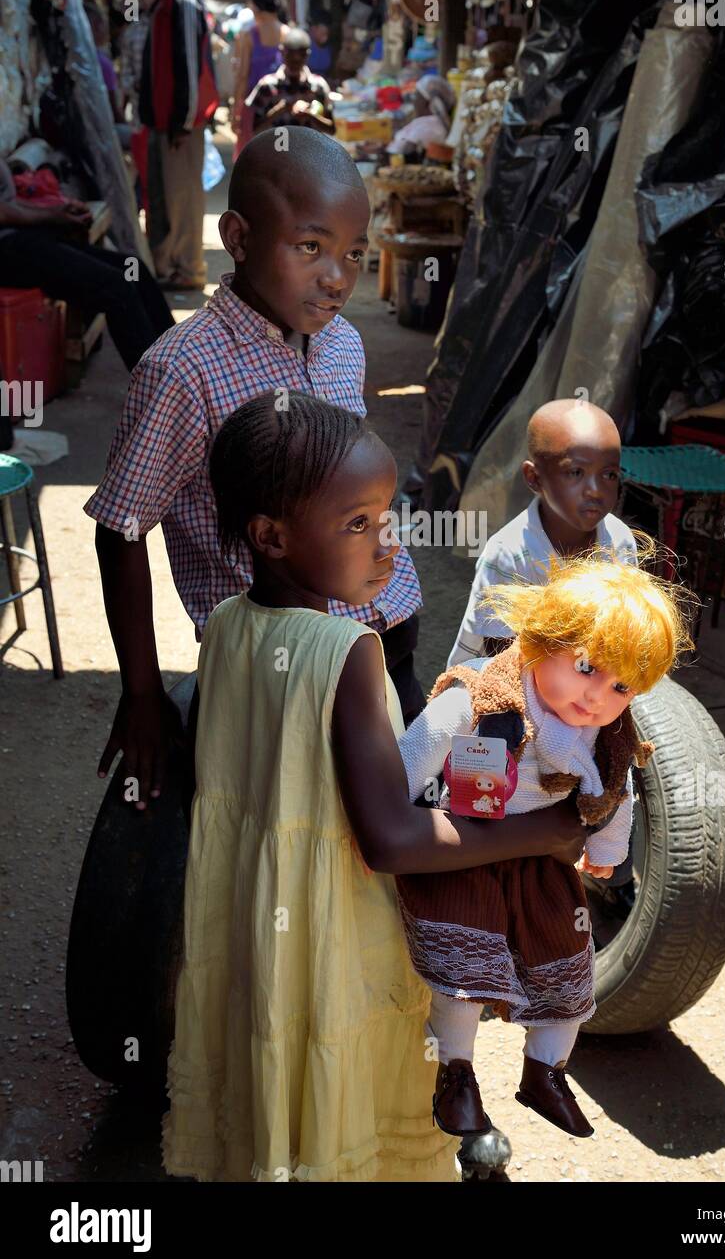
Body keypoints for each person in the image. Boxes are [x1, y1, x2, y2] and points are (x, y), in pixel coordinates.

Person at [160, 391, 590, 1182]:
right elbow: (390, 838)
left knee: (274, 1068)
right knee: (344, 1081)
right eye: (357, 523)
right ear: (271, 536)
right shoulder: (347, 651)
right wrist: (542, 834)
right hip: (334, 932)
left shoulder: (223, 625)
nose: (387, 543)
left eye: (387, 515)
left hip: (257, 920)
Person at [84, 126, 427, 815]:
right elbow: (121, 528)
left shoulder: (343, 345)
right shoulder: (183, 370)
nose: (337, 276)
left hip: (387, 630)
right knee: (309, 841)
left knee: (411, 807)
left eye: (353, 253)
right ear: (237, 238)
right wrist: (144, 693)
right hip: (279, 666)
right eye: (310, 247)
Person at [396, 548, 694, 1138]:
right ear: (539, 642)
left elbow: (619, 791)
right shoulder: (480, 701)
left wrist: (608, 852)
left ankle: (546, 1070)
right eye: (586, 667)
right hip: (468, 850)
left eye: (622, 687)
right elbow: (410, 759)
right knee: (466, 968)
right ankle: (456, 1072)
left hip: (539, 864)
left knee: (568, 965)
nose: (597, 697)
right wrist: (394, 813)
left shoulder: (607, 735)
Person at [449, 399, 637, 667]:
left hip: (588, 681)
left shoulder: (619, 541)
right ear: (534, 478)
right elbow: (501, 659)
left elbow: (624, 625)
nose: (595, 489)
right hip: (507, 680)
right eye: (576, 472)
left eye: (609, 475)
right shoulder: (509, 554)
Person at [0, 156, 174, 372]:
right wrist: (52, 216)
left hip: (23, 237)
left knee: (134, 269)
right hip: (8, 251)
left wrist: (57, 212)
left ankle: (180, 361)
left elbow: (8, 203)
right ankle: (158, 386)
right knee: (117, 288)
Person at [138, 0, 218, 293]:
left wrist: (182, 122)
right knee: (166, 196)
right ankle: (169, 266)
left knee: (182, 196)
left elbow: (188, 63)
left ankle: (187, 266)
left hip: (179, 123)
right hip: (166, 120)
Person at [230, 0, 287, 161]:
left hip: (254, 110)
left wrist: (235, 111)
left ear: (255, 6)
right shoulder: (288, 34)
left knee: (254, 161)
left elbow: (242, 76)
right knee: (280, 159)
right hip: (282, 110)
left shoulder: (249, 36)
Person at [245, 27, 335, 137]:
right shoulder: (268, 86)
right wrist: (279, 110)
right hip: (276, 151)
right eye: (290, 57)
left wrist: (309, 115)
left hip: (309, 151)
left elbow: (332, 129)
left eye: (300, 58)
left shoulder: (318, 86)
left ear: (307, 55)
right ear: (282, 53)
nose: (295, 63)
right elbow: (254, 130)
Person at [119, 0, 159, 207]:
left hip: (166, 124)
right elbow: (126, 78)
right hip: (141, 122)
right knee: (147, 186)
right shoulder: (132, 33)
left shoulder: (171, 27)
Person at [387, 74, 456, 157]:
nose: (413, 101)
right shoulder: (425, 123)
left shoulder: (431, 128)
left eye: (416, 96)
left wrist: (381, 150)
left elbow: (403, 153)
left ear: (427, 102)